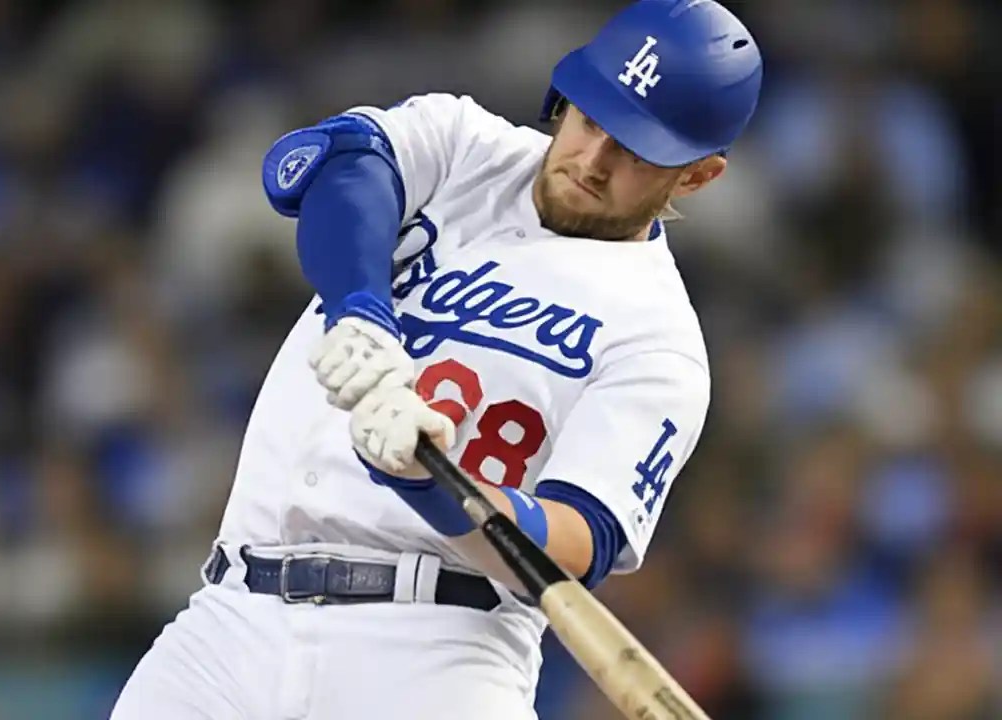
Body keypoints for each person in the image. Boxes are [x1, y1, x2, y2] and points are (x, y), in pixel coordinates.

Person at [111, 1, 763, 717]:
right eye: (590, 120)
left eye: (635, 150)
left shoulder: (658, 341)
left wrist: (438, 484)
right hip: (232, 619)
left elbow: (582, 540)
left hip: (436, 649)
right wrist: (362, 310)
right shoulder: (465, 146)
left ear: (698, 176)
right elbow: (333, 168)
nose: (592, 161)